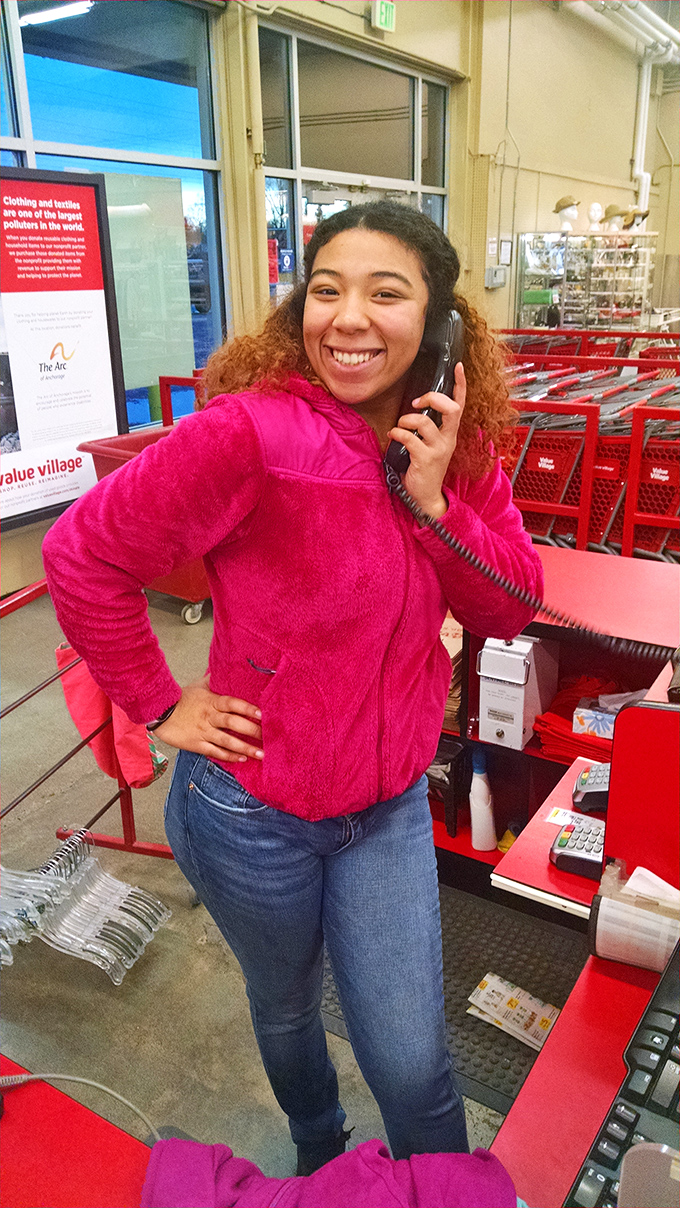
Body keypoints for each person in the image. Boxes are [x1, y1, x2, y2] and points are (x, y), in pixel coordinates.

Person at [42, 201, 543, 1176]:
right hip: (249, 811)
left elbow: (511, 604)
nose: (349, 316)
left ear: (436, 322)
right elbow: (81, 552)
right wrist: (158, 698)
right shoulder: (250, 435)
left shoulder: (454, 441)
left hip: (389, 808)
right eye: (328, 289)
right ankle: (319, 1152)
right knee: (284, 1004)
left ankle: (434, 1191)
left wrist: (434, 500)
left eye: (384, 292)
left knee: (411, 1057)